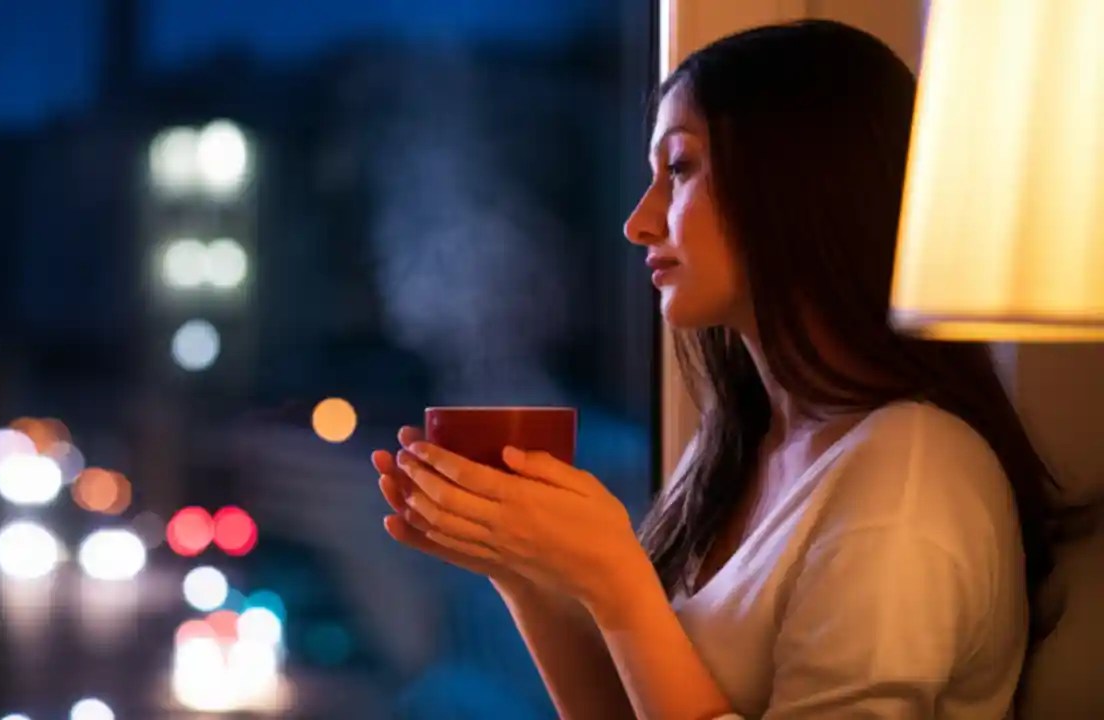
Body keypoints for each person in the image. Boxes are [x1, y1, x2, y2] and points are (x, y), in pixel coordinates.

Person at [372, 19, 1059, 719]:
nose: (639, 222)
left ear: (799, 180)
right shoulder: (736, 451)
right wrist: (522, 571)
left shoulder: (912, 468)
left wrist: (616, 579)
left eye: (678, 169)